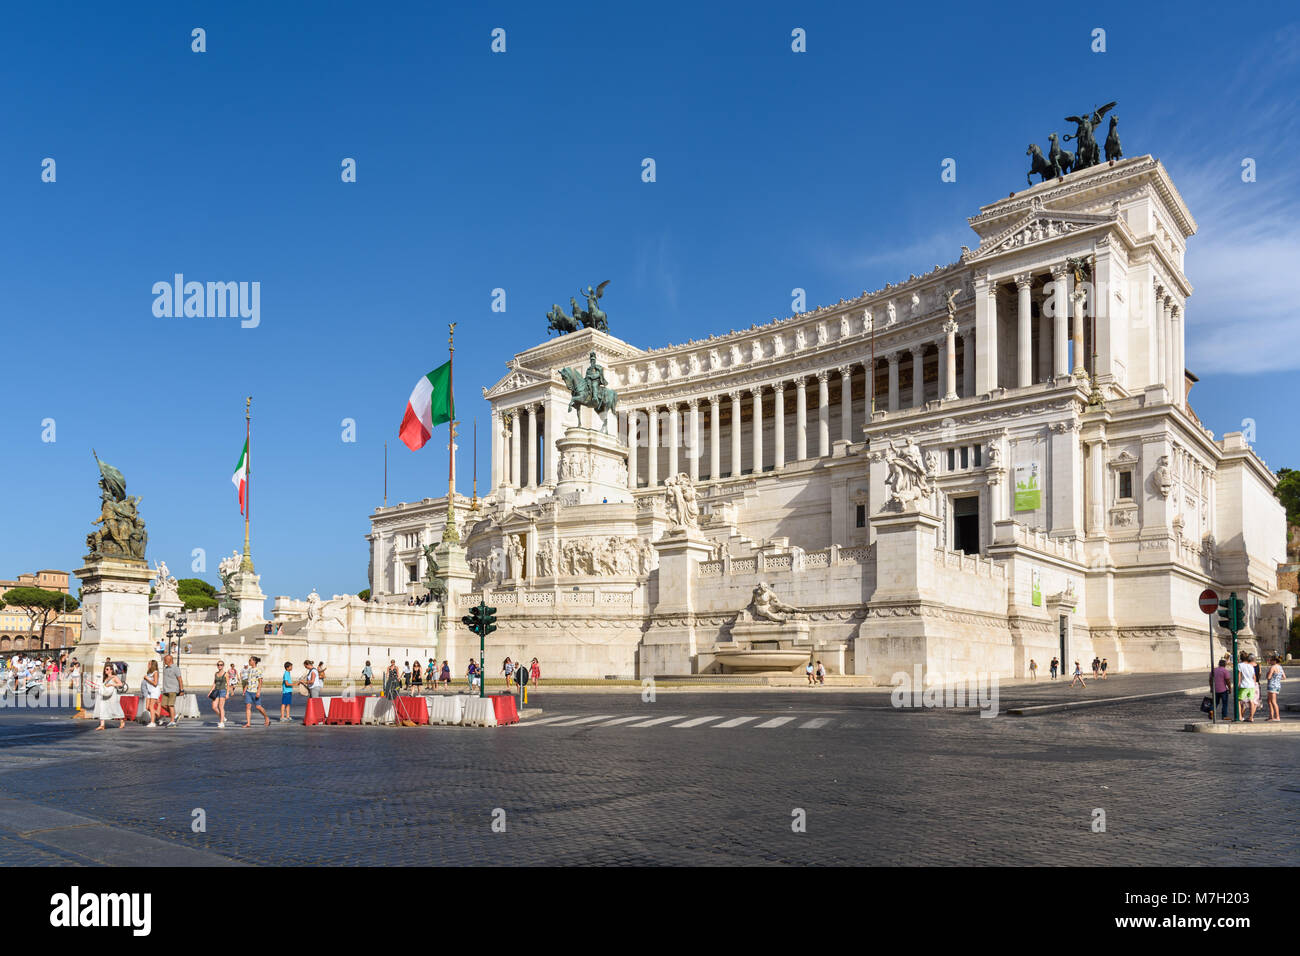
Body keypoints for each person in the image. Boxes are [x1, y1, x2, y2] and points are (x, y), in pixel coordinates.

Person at [92, 663, 126, 731]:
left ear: (111, 670)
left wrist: (111, 684)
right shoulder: (106, 678)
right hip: (105, 694)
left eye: (107, 669)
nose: (105, 670)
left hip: (113, 695)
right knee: (102, 708)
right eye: (105, 669)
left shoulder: (114, 677)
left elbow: (121, 684)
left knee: (115, 708)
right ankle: (102, 725)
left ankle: (122, 720)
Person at [242, 656, 270, 727]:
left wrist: (258, 691)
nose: (249, 661)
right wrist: (245, 689)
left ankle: (266, 718)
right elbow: (248, 680)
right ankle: (248, 723)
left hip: (255, 691)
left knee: (258, 707)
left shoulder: (258, 670)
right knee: (248, 706)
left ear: (254, 661)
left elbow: (260, 681)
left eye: (250, 660)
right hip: (248, 691)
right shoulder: (249, 670)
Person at [160, 654, 183, 727]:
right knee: (163, 705)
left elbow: (180, 679)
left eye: (165, 660)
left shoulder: (175, 668)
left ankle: (172, 721)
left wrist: (181, 690)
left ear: (169, 660)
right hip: (165, 690)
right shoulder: (165, 668)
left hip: (173, 690)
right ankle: (175, 715)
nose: (164, 661)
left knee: (170, 705)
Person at [1237, 652, 1258, 722]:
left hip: (1244, 685)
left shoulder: (1240, 665)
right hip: (1251, 685)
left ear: (1240, 658)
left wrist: (1238, 683)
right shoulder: (1250, 666)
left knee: (1239, 701)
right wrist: (1254, 684)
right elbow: (1254, 676)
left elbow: (1239, 675)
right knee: (1251, 701)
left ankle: (1240, 716)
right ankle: (1251, 717)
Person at [1264, 655, 1286, 722]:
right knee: (1269, 701)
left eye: (1271, 660)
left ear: (1274, 661)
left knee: (1273, 702)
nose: (1270, 661)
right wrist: (1277, 679)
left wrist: (1268, 674)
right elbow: (1284, 677)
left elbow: (1269, 677)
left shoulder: (1273, 667)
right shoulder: (1280, 667)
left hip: (1272, 685)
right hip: (1277, 685)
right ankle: (1271, 716)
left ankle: (1277, 716)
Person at [141, 660, 162, 727]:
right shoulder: (149, 672)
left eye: (149, 664)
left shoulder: (155, 672)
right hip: (149, 691)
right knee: (147, 707)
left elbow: (155, 683)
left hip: (154, 691)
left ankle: (152, 722)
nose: (148, 665)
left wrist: (147, 679)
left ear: (152, 665)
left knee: (151, 706)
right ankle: (158, 716)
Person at [209, 660, 229, 728]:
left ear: (223, 666)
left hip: (223, 691)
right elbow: (214, 683)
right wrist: (210, 691)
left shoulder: (226, 674)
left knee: (221, 707)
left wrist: (227, 693)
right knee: (214, 706)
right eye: (218, 665)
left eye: (221, 665)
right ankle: (222, 717)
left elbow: (228, 684)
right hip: (216, 691)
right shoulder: (216, 673)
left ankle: (221, 722)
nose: (219, 666)